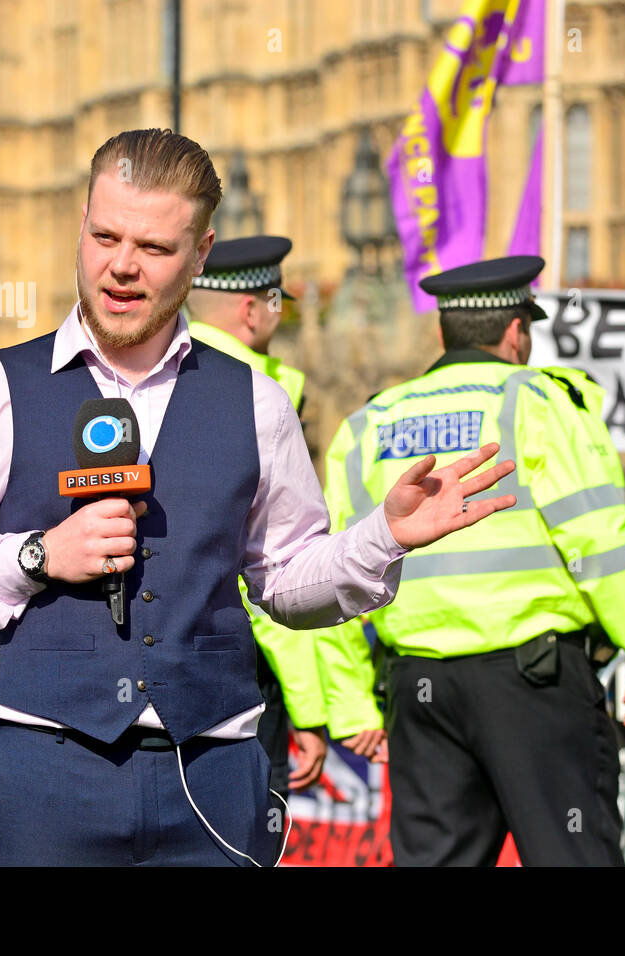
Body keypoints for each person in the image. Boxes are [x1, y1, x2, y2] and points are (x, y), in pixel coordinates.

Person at [0, 128, 515, 867]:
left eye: (154, 249)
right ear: (81, 227)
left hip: (212, 779)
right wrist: (36, 554)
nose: (121, 266)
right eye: (104, 236)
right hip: (45, 776)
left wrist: (383, 536)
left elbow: (284, 583)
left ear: (201, 254)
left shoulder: (256, 403)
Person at [319, 255, 625, 866]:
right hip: (532, 682)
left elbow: (333, 574)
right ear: (517, 332)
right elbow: (599, 543)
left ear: (442, 332)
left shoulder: (367, 423)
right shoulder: (541, 402)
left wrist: (350, 703)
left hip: (419, 687)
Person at [182, 234, 384, 803]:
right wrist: (313, 709)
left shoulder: (153, 377)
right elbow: (266, 575)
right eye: (279, 304)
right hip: (238, 676)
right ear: (251, 309)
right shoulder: (253, 396)